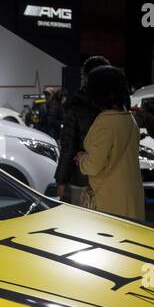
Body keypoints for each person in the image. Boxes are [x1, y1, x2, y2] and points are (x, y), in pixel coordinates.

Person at [75, 65, 145, 220]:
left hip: (110, 200)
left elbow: (94, 166)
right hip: (131, 195)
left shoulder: (106, 122)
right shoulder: (128, 118)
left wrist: (81, 159)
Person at [56, 54, 110, 200]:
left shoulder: (77, 105)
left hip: (82, 178)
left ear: (86, 77)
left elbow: (68, 146)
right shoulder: (117, 106)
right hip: (111, 179)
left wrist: (61, 180)